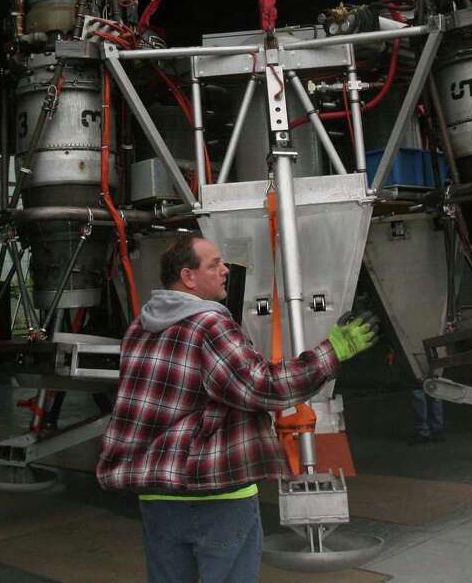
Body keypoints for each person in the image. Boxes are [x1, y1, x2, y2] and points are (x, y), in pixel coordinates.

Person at [97, 233, 378, 583]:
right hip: (216, 496)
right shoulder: (209, 325)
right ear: (188, 277)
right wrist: (333, 351)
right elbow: (263, 387)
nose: (226, 270)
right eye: (214, 265)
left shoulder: (139, 328)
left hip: (157, 497)